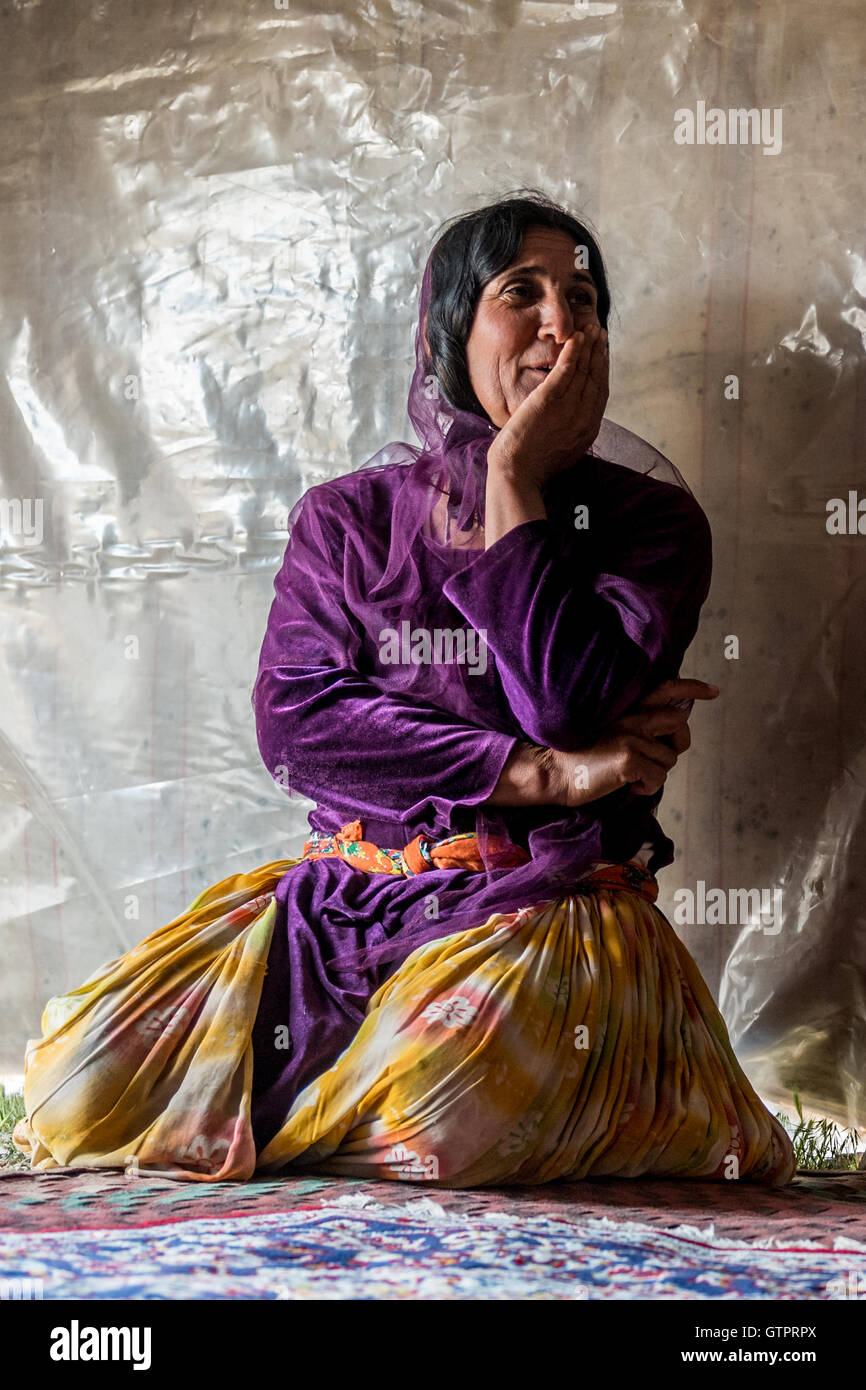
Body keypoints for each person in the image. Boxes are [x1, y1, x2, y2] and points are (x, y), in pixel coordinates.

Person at [14, 191, 796, 1187]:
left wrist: (513, 475)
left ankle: (342, 1108)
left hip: (542, 911)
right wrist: (540, 776)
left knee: (442, 1109)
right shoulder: (345, 521)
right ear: (449, 331)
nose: (563, 323)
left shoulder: (650, 528)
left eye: (585, 300)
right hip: (338, 902)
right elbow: (297, 725)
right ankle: (333, 1085)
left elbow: (566, 696)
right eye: (523, 293)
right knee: (75, 1087)